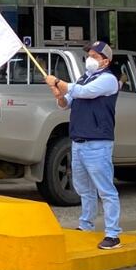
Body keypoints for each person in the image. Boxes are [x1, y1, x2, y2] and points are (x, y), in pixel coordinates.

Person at [45, 41, 122, 250]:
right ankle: (85, 224)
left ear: (106, 60)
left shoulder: (108, 80)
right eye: (89, 55)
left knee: (105, 190)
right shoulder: (84, 79)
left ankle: (113, 234)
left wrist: (59, 82)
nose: (90, 59)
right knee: (83, 188)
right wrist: (59, 95)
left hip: (98, 143)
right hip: (78, 141)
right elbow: (66, 103)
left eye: (95, 56)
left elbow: (84, 92)